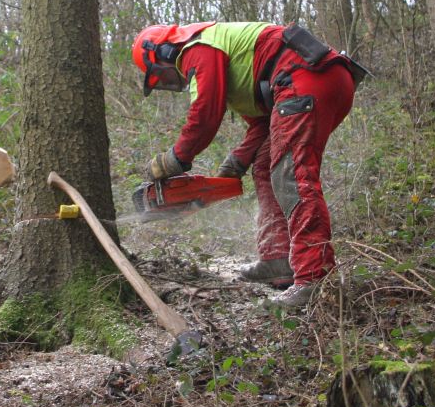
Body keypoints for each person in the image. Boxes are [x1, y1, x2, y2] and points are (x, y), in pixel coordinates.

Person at [132, 21, 364, 308]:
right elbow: (262, 124)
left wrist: (175, 158)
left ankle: (314, 278)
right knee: (267, 165)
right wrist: (236, 163)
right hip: (315, 80)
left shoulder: (198, 48)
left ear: (164, 51)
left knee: (292, 177)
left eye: (163, 77)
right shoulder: (233, 62)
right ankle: (279, 259)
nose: (173, 81)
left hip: (306, 78)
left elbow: (205, 113)